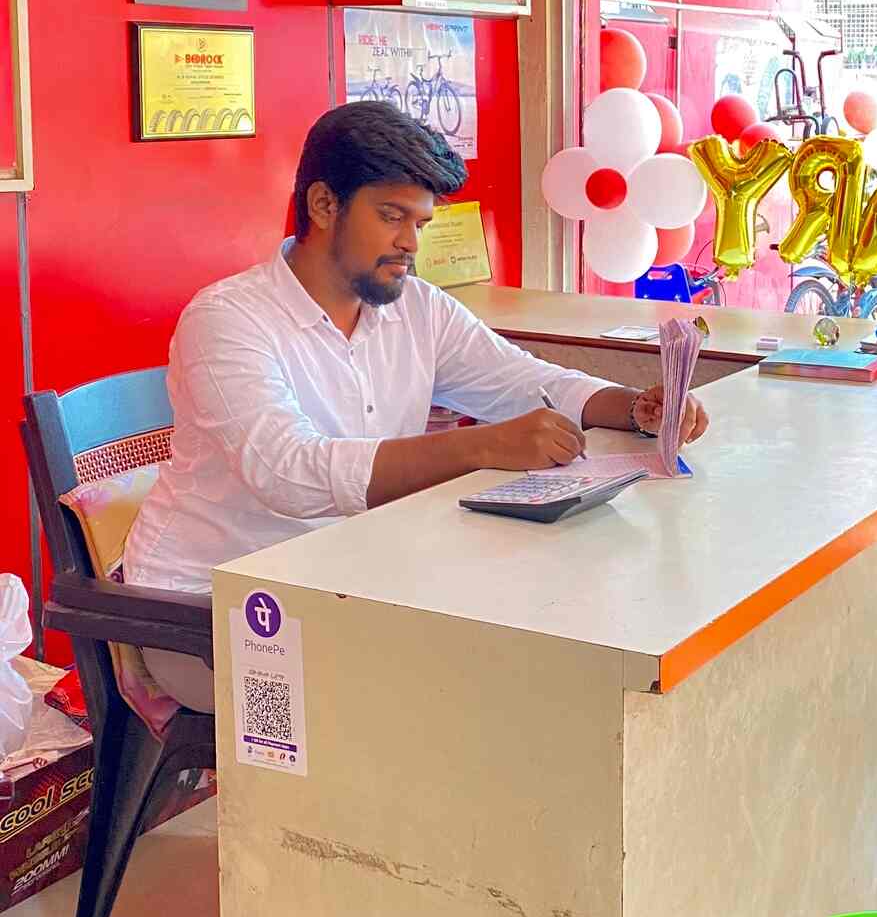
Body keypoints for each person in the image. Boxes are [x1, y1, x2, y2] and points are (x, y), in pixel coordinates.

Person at [124, 103, 708, 710]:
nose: (410, 243)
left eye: (421, 223)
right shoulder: (227, 319)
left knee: (537, 642)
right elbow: (288, 473)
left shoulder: (416, 308)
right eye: (391, 216)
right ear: (323, 205)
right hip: (209, 615)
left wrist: (633, 407)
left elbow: (521, 381)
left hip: (345, 584)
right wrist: (482, 445)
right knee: (450, 694)